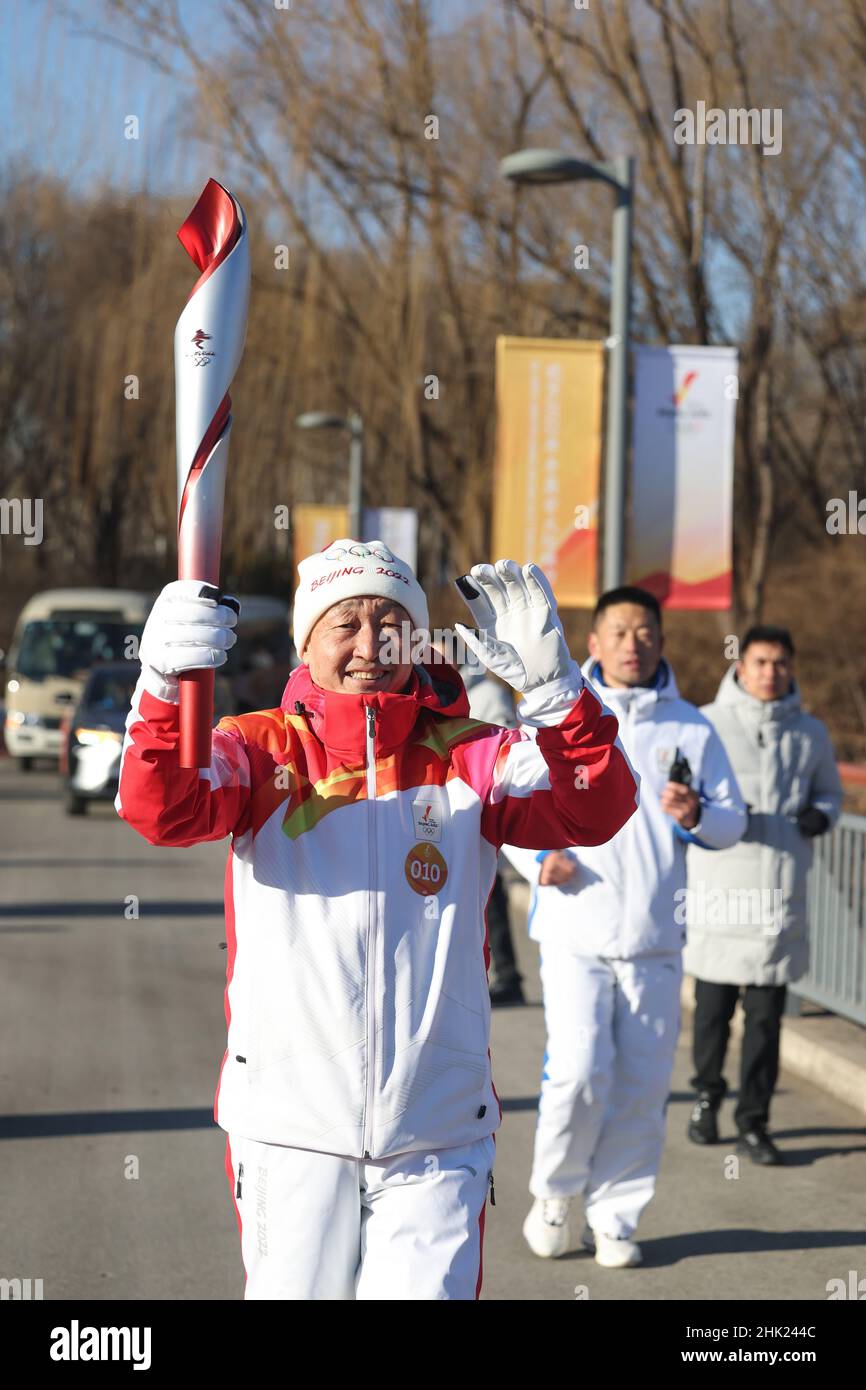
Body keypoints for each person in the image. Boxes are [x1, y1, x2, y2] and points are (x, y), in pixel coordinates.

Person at [115, 542, 638, 1300]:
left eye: (390, 621)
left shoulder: (473, 756)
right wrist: (163, 685)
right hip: (291, 1129)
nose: (369, 643)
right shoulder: (258, 748)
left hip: (438, 1128)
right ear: (306, 641)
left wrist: (559, 696)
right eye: (346, 622)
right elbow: (161, 808)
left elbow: (596, 807)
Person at [503, 586, 746, 1268]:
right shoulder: (558, 713)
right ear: (595, 643)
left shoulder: (692, 727)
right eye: (619, 631)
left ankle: (615, 1216)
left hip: (654, 939)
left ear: (661, 641)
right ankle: (554, 1196)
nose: (633, 642)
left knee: (640, 1086)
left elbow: (733, 822)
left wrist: (697, 814)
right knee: (579, 1072)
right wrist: (537, 858)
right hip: (575, 927)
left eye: (645, 631)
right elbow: (512, 800)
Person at [684, 625, 842, 1165]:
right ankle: (706, 1098)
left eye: (780, 662)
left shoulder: (811, 732)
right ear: (741, 666)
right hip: (721, 892)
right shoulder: (706, 722)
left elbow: (829, 791)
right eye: (760, 662)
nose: (770, 672)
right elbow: (684, 794)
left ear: (791, 667)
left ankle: (755, 1122)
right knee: (711, 1014)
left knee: (767, 1021)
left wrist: (822, 814)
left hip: (779, 896)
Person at [459, 656, 525, 1006]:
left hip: (486, 804)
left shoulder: (490, 693)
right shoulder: (440, 693)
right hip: (458, 808)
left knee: (493, 902)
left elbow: (504, 747)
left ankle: (508, 975)